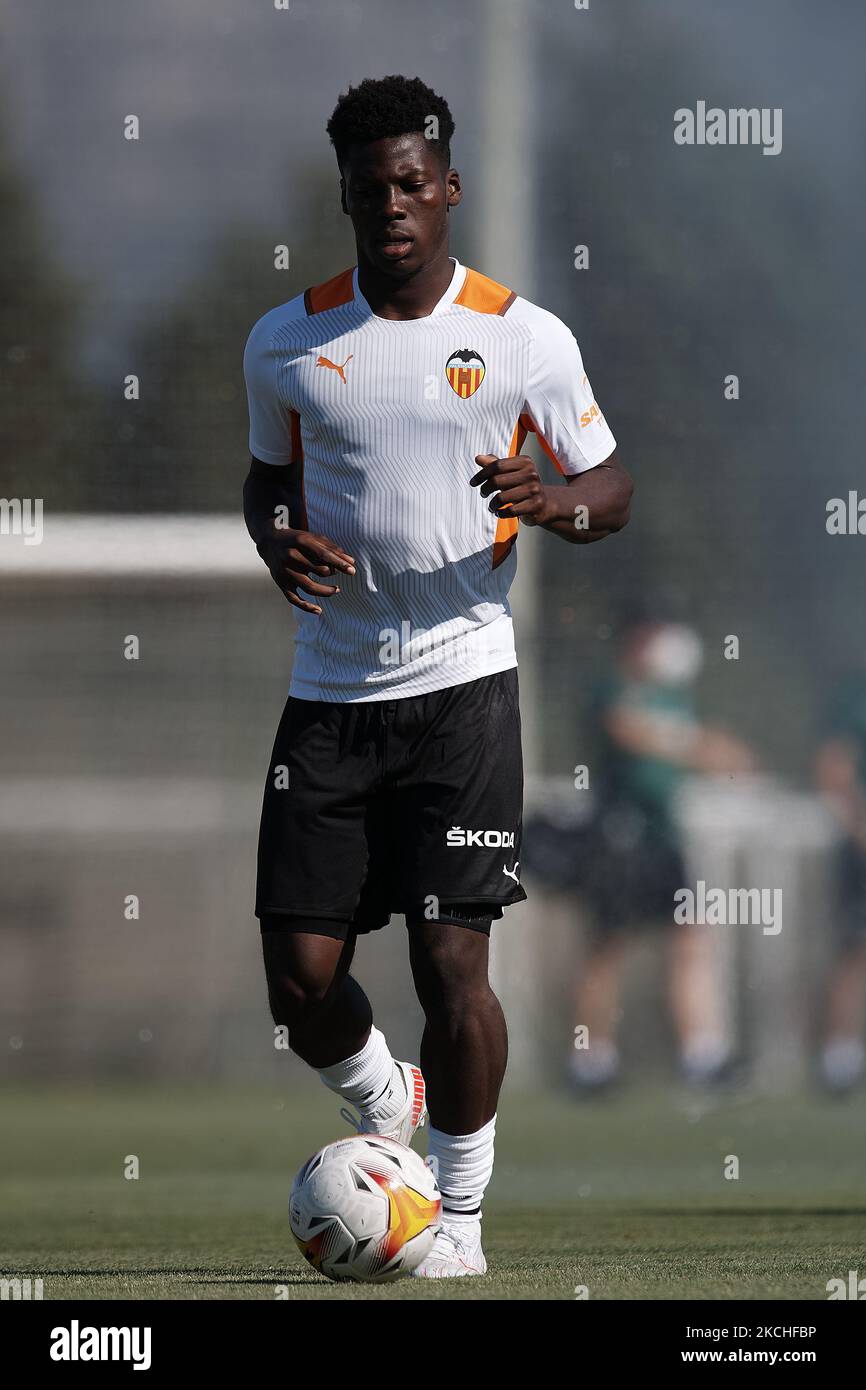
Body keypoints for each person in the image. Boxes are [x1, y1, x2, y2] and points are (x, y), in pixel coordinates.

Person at [242, 75, 632, 1277]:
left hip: (464, 691)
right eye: (371, 192)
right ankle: (384, 1098)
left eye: (413, 184)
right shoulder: (288, 339)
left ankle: (455, 1221)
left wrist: (553, 502)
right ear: (349, 200)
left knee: (449, 960)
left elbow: (608, 489)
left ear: (447, 186)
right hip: (331, 692)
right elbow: (266, 479)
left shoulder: (523, 336)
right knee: (300, 980)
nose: (393, 207)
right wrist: (274, 537)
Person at [569, 616, 753, 1091]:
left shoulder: (675, 696)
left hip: (664, 838)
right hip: (618, 835)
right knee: (608, 948)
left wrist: (721, 755)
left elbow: (708, 753)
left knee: (692, 939)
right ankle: (592, 1063)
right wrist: (698, 746)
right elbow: (627, 730)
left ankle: (702, 1055)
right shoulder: (611, 688)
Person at [814, 675, 866, 1093]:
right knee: (856, 950)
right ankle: (840, 1058)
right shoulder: (855, 700)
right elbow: (834, 769)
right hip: (861, 846)